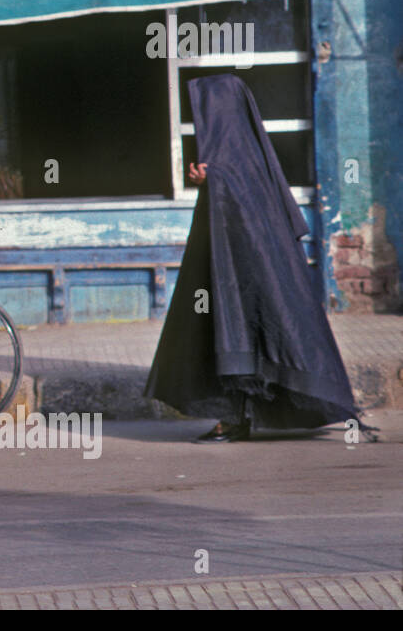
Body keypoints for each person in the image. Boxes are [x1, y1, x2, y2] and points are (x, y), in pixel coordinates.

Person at [145, 74, 359, 442]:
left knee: (239, 336)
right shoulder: (239, 162)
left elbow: (243, 220)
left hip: (245, 276)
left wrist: (215, 181)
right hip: (232, 274)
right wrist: (209, 182)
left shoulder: (236, 166)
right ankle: (234, 418)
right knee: (233, 337)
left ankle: (235, 419)